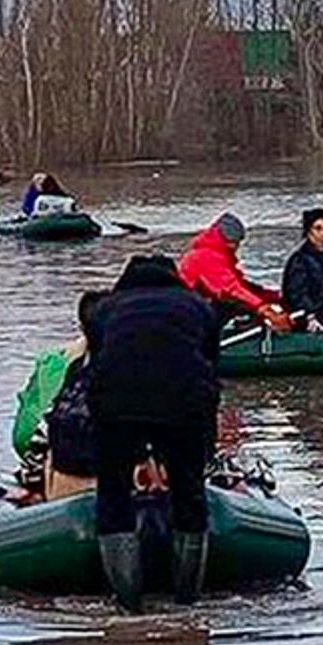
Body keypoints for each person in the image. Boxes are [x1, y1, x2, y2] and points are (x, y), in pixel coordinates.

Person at [85, 255, 221, 611]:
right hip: (184, 401)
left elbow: (98, 363)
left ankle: (129, 604)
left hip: (117, 404)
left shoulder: (105, 310)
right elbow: (210, 366)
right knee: (189, 494)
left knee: (113, 495)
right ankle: (186, 602)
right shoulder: (199, 307)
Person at [11, 291, 105, 501]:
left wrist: (33, 483)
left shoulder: (70, 377)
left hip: (63, 494)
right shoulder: (138, 381)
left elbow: (33, 440)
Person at [177, 213, 293, 332]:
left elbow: (240, 285)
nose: (235, 247)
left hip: (201, 307)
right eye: (232, 242)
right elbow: (231, 289)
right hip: (192, 312)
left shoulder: (219, 255)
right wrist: (263, 308)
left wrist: (272, 296)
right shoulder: (204, 256)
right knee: (237, 305)